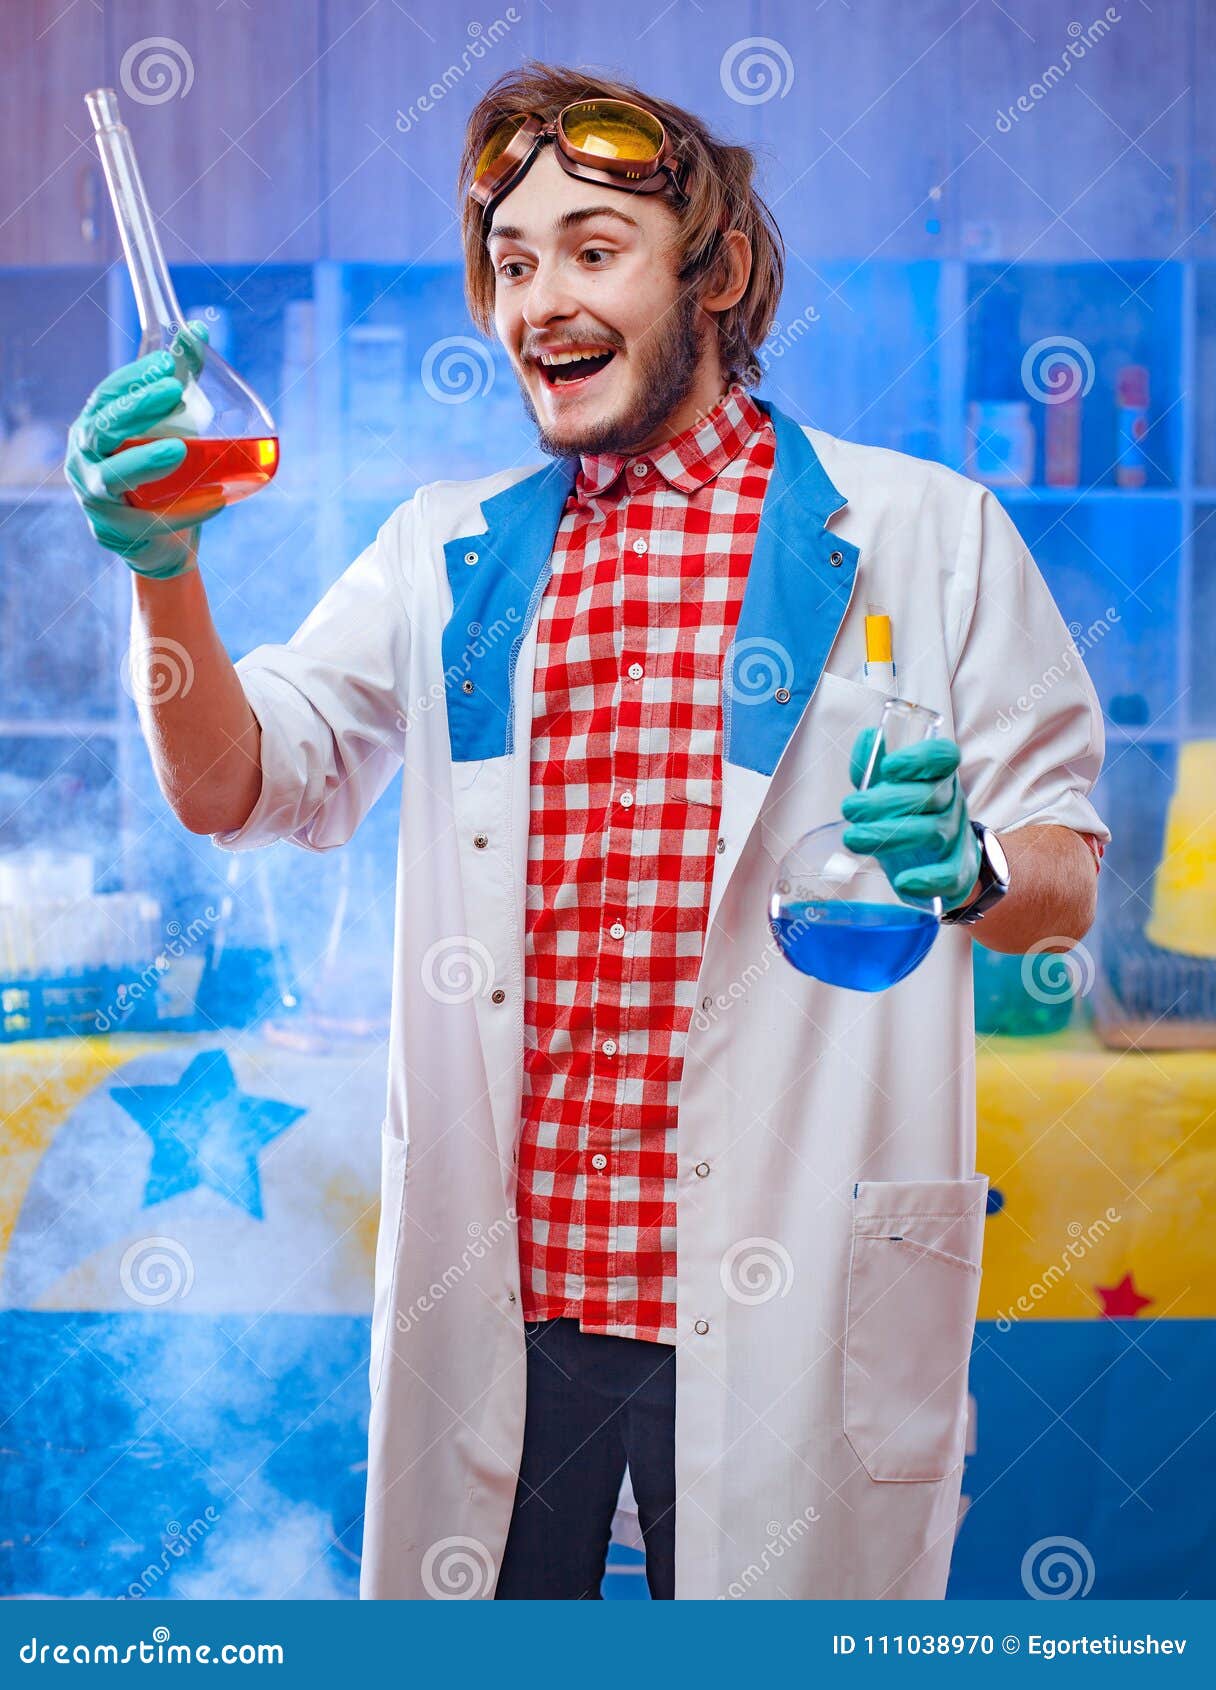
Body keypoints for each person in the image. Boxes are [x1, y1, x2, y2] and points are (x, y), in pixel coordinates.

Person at [65, 62, 1109, 1601]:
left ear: (720, 268)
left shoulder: (927, 533)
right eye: (511, 262)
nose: (540, 299)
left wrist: (974, 867)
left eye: (594, 249)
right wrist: (163, 567)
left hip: (783, 1301)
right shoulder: (447, 556)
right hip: (512, 1319)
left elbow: (1064, 875)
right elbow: (233, 782)